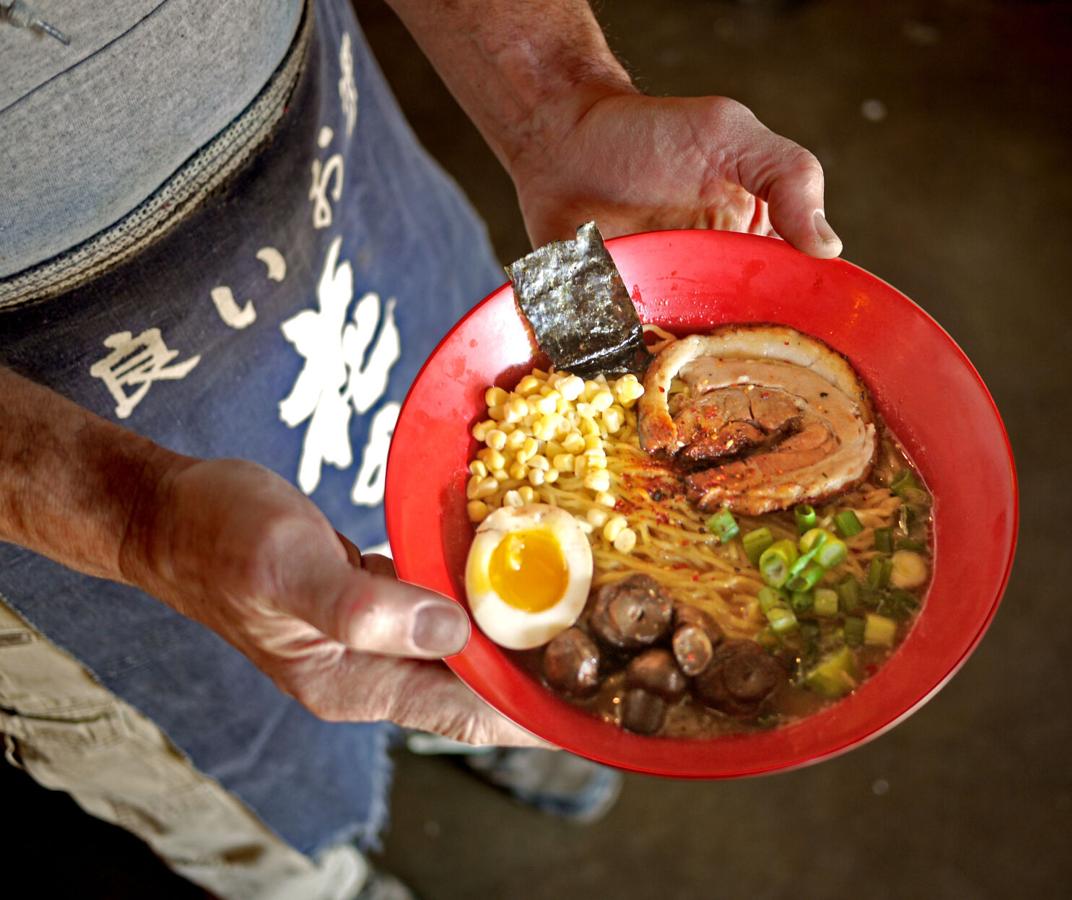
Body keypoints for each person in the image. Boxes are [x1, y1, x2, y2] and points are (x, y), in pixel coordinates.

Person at [0, 0, 842, 896]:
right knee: (221, 773)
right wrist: (140, 523)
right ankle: (322, 882)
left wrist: (557, 102)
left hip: (326, 163)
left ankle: (509, 685)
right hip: (52, 461)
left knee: (452, 566)